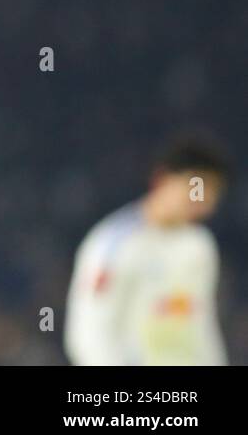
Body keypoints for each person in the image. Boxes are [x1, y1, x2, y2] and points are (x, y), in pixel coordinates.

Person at [64, 139, 230, 365]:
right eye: (196, 186)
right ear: (162, 180)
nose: (202, 198)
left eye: (212, 190)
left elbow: (201, 325)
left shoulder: (199, 247)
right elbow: (89, 332)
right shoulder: (114, 243)